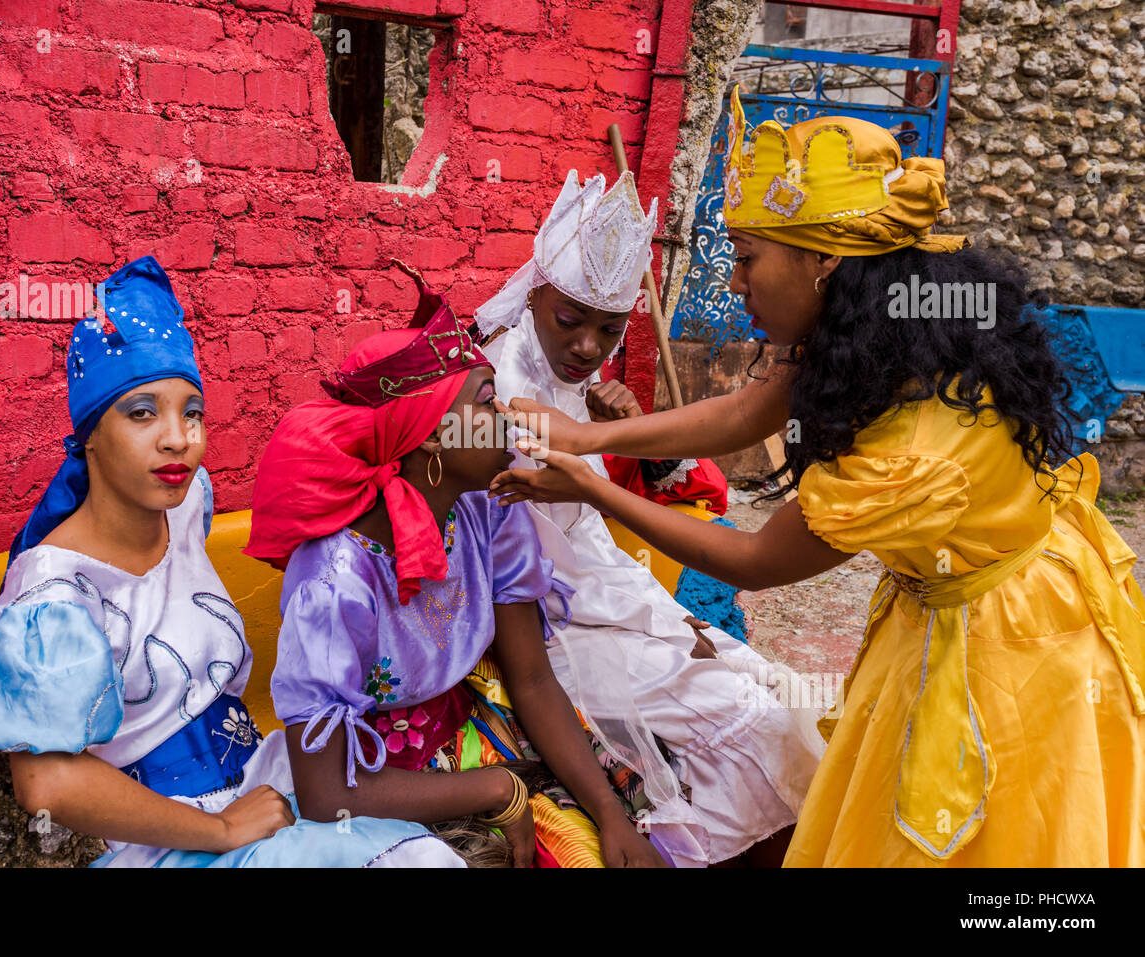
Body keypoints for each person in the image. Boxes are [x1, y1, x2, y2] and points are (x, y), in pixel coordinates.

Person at [490, 87, 1145, 866]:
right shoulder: (872, 327)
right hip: (941, 602)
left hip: (1011, 642)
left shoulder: (915, 452)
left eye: (746, 258)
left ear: (825, 261)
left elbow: (756, 560)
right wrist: (589, 433)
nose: (734, 283)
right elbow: (746, 411)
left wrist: (594, 483)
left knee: (983, 830)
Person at [0, 256, 461, 868]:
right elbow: (48, 785)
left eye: (191, 412)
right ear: (89, 432)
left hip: (262, 777)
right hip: (177, 839)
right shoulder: (54, 596)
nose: (179, 438)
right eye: (143, 413)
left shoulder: (186, 507)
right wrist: (222, 829)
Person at [244, 262, 666, 867]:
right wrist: (497, 790)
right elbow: (326, 792)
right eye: (489, 401)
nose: (512, 417)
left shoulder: (490, 511)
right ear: (435, 437)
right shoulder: (335, 582)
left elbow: (531, 678)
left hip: (472, 732)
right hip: (378, 783)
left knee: (630, 816)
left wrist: (608, 814)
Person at [473, 169, 825, 867]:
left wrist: (614, 437)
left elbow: (684, 505)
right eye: (569, 321)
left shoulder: (583, 395)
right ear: (534, 292)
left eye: (609, 329)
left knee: (779, 702)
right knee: (753, 723)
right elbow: (525, 561)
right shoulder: (491, 394)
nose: (586, 348)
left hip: (612, 588)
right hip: (552, 612)